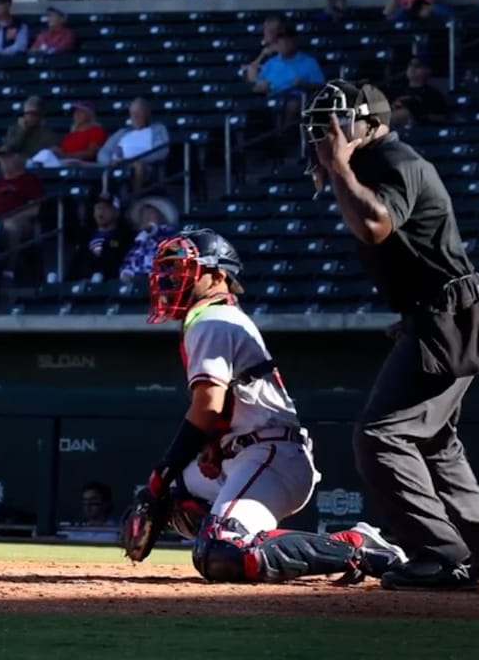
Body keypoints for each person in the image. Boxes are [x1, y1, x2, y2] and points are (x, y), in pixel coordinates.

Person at [303, 82, 479, 591]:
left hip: (453, 309)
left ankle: (443, 556)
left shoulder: (393, 159)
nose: (324, 134)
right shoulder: (372, 163)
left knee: (381, 435)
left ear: (372, 124)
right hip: (445, 307)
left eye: (336, 122)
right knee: (436, 442)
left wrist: (338, 167)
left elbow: (376, 225)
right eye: (319, 125)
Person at [121, 228, 406, 584]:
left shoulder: (213, 319)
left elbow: (208, 407)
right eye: (169, 270)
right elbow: (224, 409)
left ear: (218, 274)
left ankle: (358, 546)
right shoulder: (211, 318)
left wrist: (157, 479)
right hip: (244, 454)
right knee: (177, 494)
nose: (171, 278)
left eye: (181, 268)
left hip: (270, 455)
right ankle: (235, 525)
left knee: (222, 552)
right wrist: (201, 455)